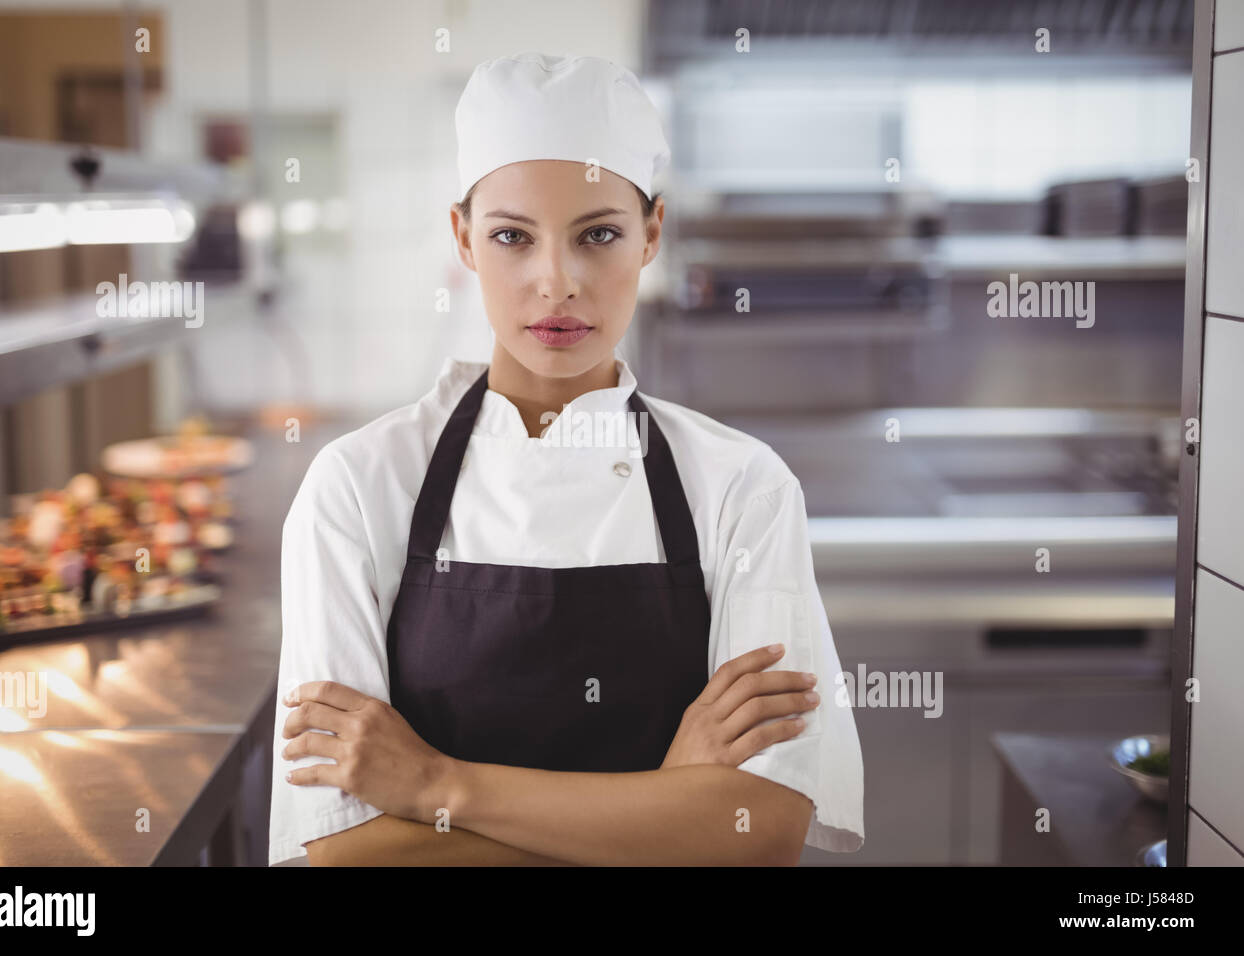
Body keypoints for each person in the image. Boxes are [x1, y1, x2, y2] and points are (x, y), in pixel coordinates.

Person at [268, 51, 863, 866]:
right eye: (512, 236)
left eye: (599, 236)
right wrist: (669, 800)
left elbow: (759, 833)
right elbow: (351, 849)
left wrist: (438, 786)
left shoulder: (742, 489)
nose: (556, 283)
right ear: (463, 239)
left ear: (652, 232)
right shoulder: (357, 488)